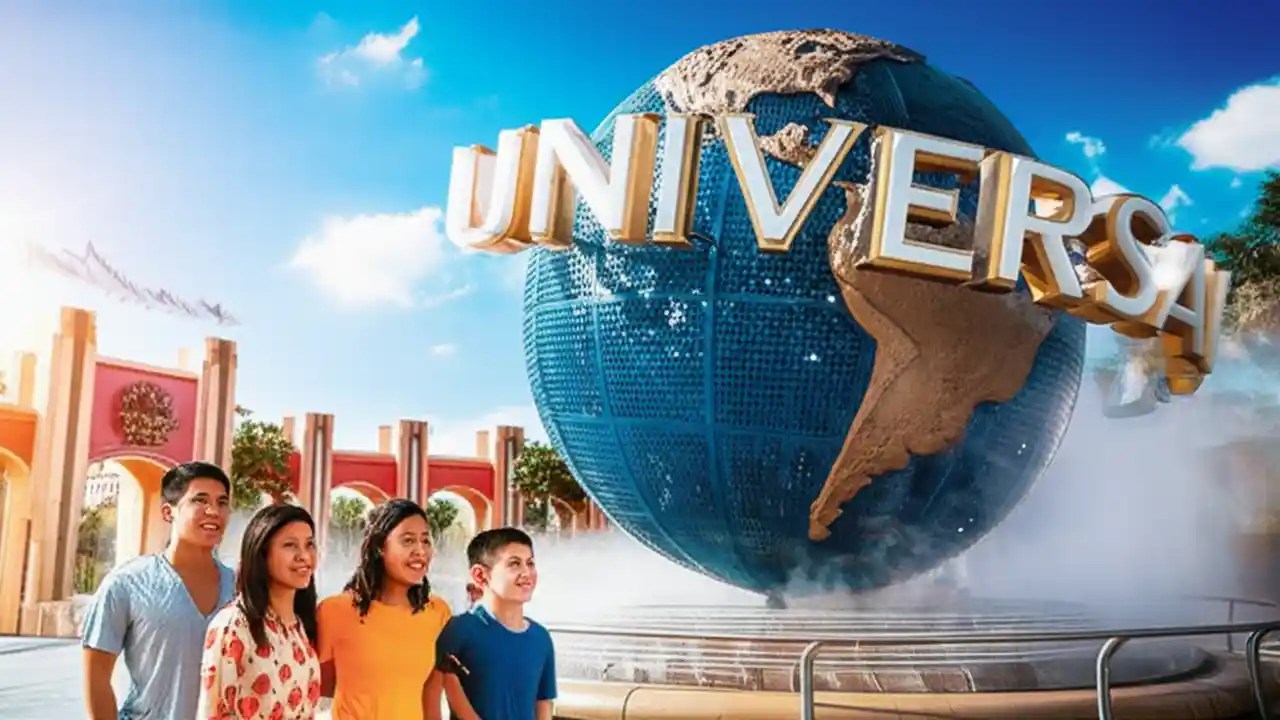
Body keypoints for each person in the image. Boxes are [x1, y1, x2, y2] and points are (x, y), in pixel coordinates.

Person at [82, 461, 237, 720]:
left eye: (222, 502)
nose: (214, 511)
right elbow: (96, 678)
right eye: (200, 500)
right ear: (168, 512)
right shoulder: (126, 584)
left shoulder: (239, 586)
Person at [316, 499, 451, 719]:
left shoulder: (438, 612)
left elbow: (432, 692)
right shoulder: (335, 610)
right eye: (408, 541)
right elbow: (314, 682)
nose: (421, 550)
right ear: (380, 547)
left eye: (426, 541)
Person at [197, 503, 322, 719]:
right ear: (262, 554)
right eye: (290, 545)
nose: (304, 556)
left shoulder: (299, 627)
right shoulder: (233, 625)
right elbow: (212, 711)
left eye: (309, 544)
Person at [436, 527, 556, 720]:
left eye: (530, 563)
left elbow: (543, 702)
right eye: (515, 564)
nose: (527, 573)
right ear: (480, 575)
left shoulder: (541, 638)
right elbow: (438, 692)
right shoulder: (459, 631)